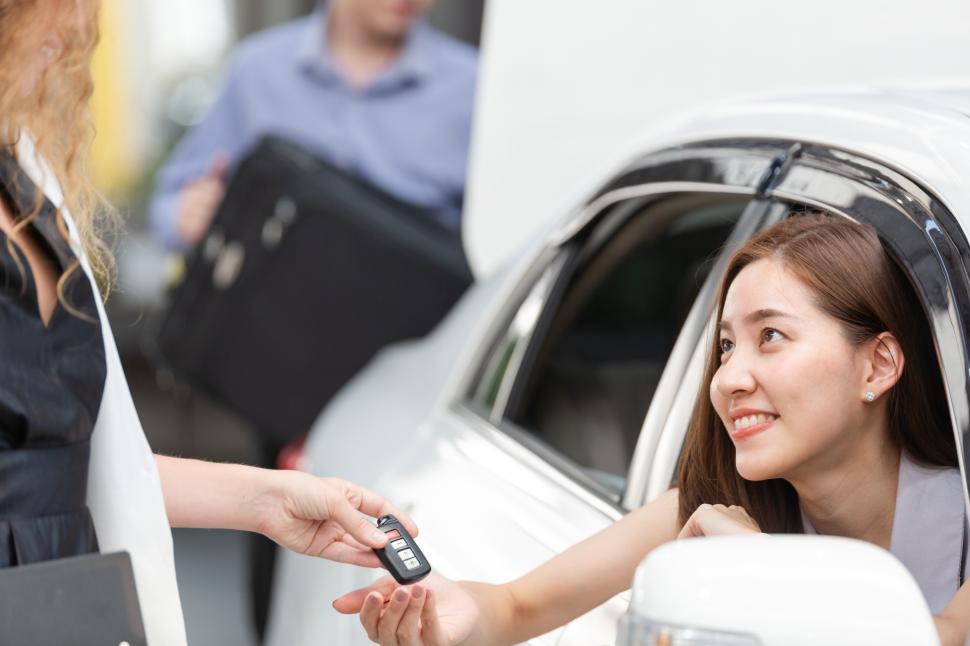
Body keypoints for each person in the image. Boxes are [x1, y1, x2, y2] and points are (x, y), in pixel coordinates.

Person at [333, 215, 970, 645]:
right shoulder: (712, 508)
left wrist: (763, 569)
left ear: (879, 364)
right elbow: (520, 606)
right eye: (725, 347)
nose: (728, 379)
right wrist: (457, 616)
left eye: (770, 337)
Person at [0, 3, 417, 645]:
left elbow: (71, 466)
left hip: (64, 611)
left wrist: (270, 501)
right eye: (37, 8)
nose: (71, 29)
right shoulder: (259, 71)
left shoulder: (27, 182)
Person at [148, 0, 478, 250]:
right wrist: (186, 215)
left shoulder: (476, 88)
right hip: (271, 323)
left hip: (424, 328)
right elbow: (169, 201)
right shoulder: (257, 71)